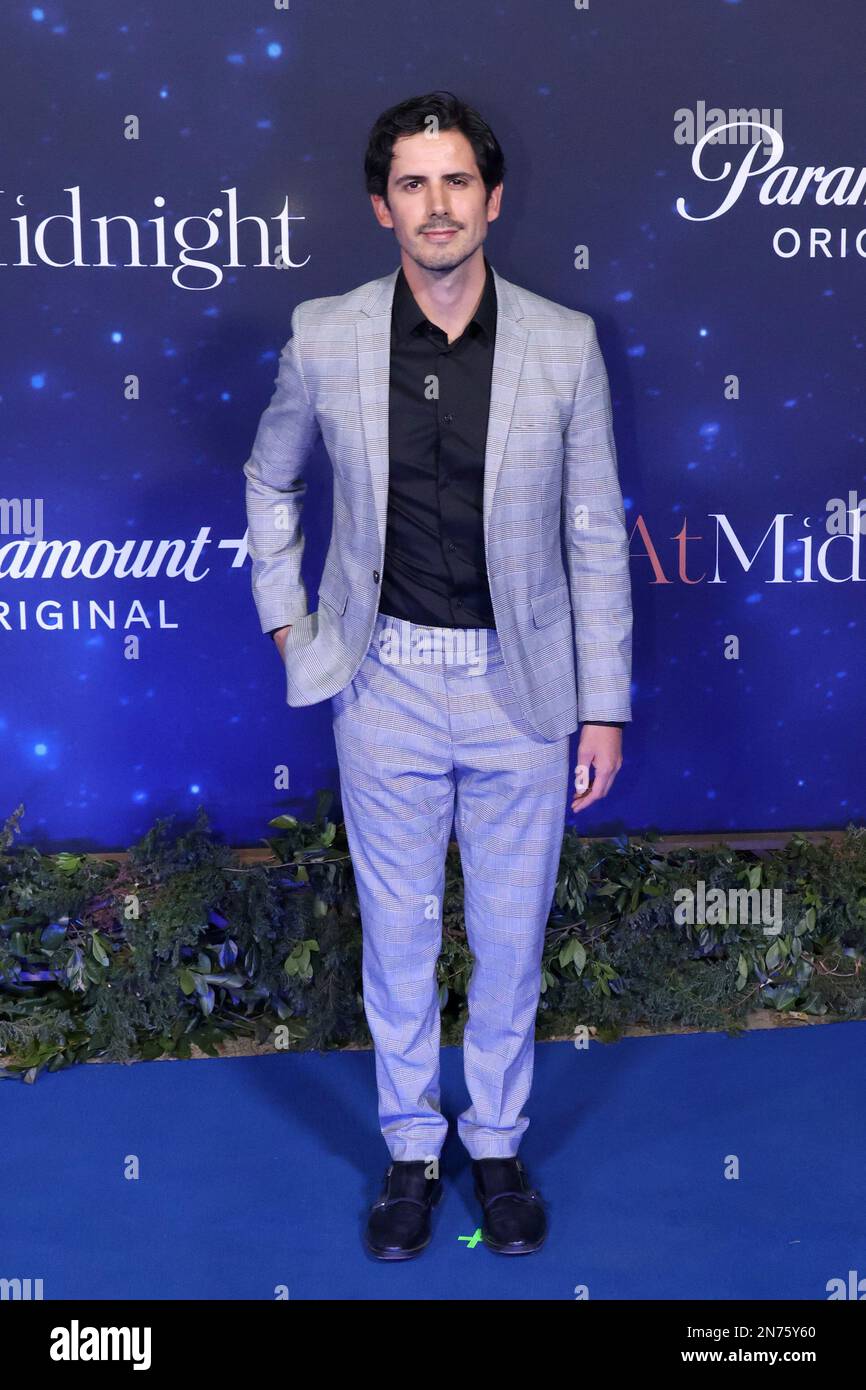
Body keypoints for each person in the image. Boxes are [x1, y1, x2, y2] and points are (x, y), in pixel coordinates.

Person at [243, 90, 632, 1261]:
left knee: (509, 937)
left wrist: (601, 703)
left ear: (491, 199)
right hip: (384, 682)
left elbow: (593, 536)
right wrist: (290, 630)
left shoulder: (564, 344)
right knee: (398, 935)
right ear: (381, 208)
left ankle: (499, 1146)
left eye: (455, 180)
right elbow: (269, 483)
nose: (436, 204)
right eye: (412, 184)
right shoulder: (325, 335)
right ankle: (412, 1153)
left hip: (525, 689)